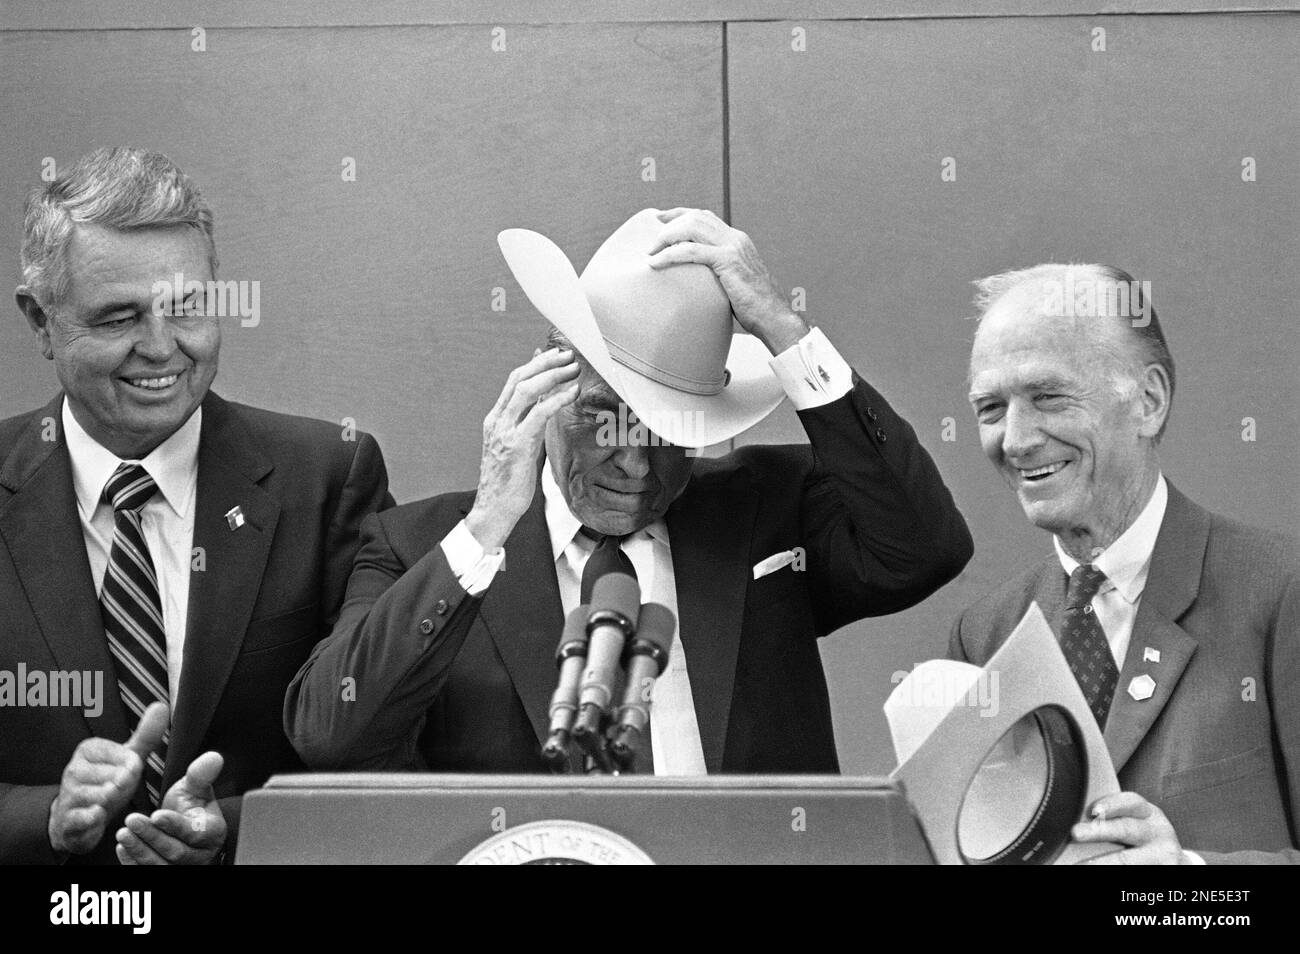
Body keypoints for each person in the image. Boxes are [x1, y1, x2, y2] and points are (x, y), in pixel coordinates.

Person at [286, 207, 972, 775]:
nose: (638, 467)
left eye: (669, 433)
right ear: (544, 387)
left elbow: (922, 549)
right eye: (603, 418)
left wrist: (783, 331)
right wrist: (490, 522)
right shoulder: (420, 549)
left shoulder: (767, 508)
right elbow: (330, 734)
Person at [0, 148, 392, 864]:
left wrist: (231, 832)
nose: (162, 348)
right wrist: (48, 815)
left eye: (186, 308)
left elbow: (382, 753)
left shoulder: (329, 478)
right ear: (39, 320)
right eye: (119, 317)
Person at [952, 263, 1298, 864]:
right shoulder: (985, 636)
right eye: (989, 408)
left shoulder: (1280, 591)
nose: (1014, 439)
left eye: (1048, 397)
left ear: (1149, 400)